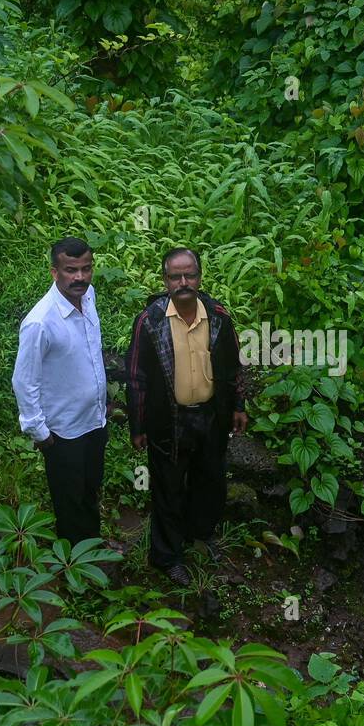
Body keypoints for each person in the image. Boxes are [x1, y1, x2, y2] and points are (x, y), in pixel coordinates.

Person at [126, 248, 248, 585]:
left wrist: (238, 406)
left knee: (209, 479)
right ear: (165, 280)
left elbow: (234, 365)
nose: (183, 282)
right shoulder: (149, 321)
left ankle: (199, 534)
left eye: (190, 275)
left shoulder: (218, 316)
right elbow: (136, 375)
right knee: (167, 486)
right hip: (168, 419)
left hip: (211, 415)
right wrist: (138, 425)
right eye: (175, 276)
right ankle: (167, 556)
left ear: (200, 276)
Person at [11, 236, 109, 549]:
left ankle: (92, 547)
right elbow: (24, 381)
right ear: (55, 272)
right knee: (70, 500)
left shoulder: (89, 296)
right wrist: (39, 431)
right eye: (70, 270)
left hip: (94, 420)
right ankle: (75, 568)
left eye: (86, 269)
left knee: (90, 489)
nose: (79, 277)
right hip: (63, 431)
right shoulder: (40, 322)